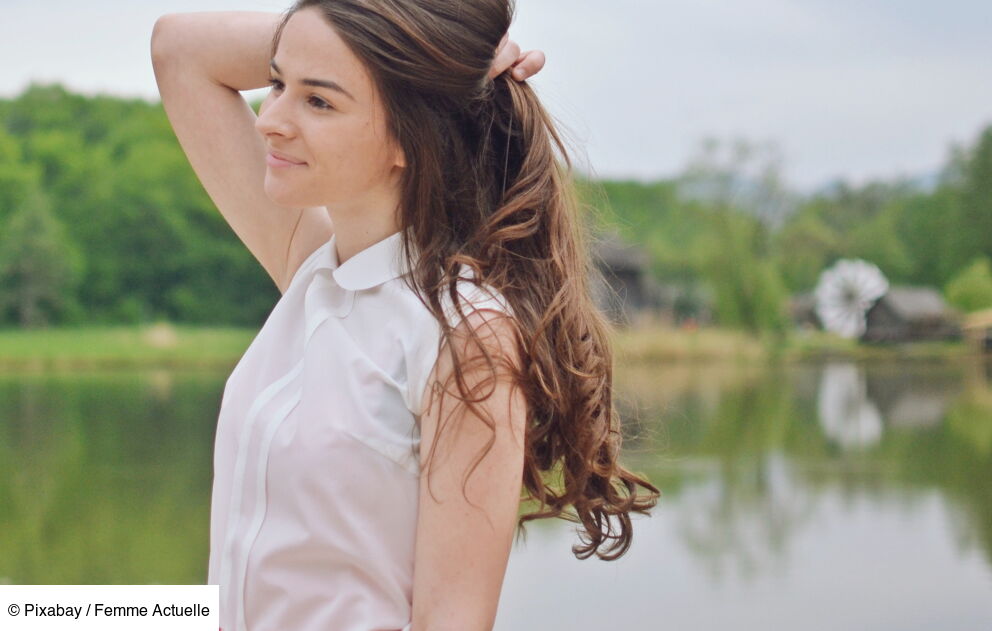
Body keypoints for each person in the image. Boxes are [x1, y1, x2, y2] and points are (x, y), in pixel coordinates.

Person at [150, 2, 660, 630]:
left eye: (319, 102)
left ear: (406, 137)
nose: (269, 120)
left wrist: (425, 70)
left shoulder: (466, 334)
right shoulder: (315, 272)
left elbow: (452, 621)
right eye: (279, 84)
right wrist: (429, 53)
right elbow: (179, 49)